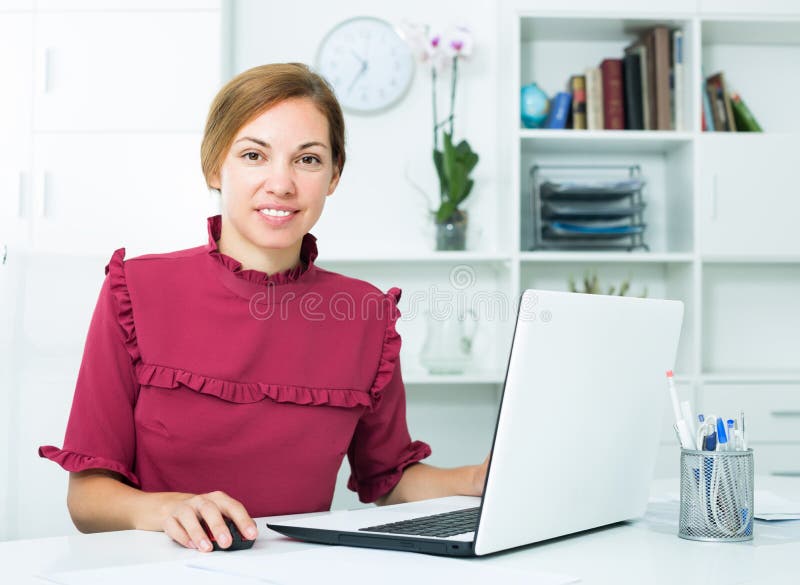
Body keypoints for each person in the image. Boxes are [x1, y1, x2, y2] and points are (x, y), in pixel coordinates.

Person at [39, 63, 489, 553]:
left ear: (334, 175)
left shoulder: (365, 313)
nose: (281, 184)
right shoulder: (135, 289)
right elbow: (87, 498)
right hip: (162, 570)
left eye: (308, 160)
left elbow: (390, 479)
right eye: (254, 155)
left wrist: (478, 478)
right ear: (215, 167)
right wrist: (167, 509)